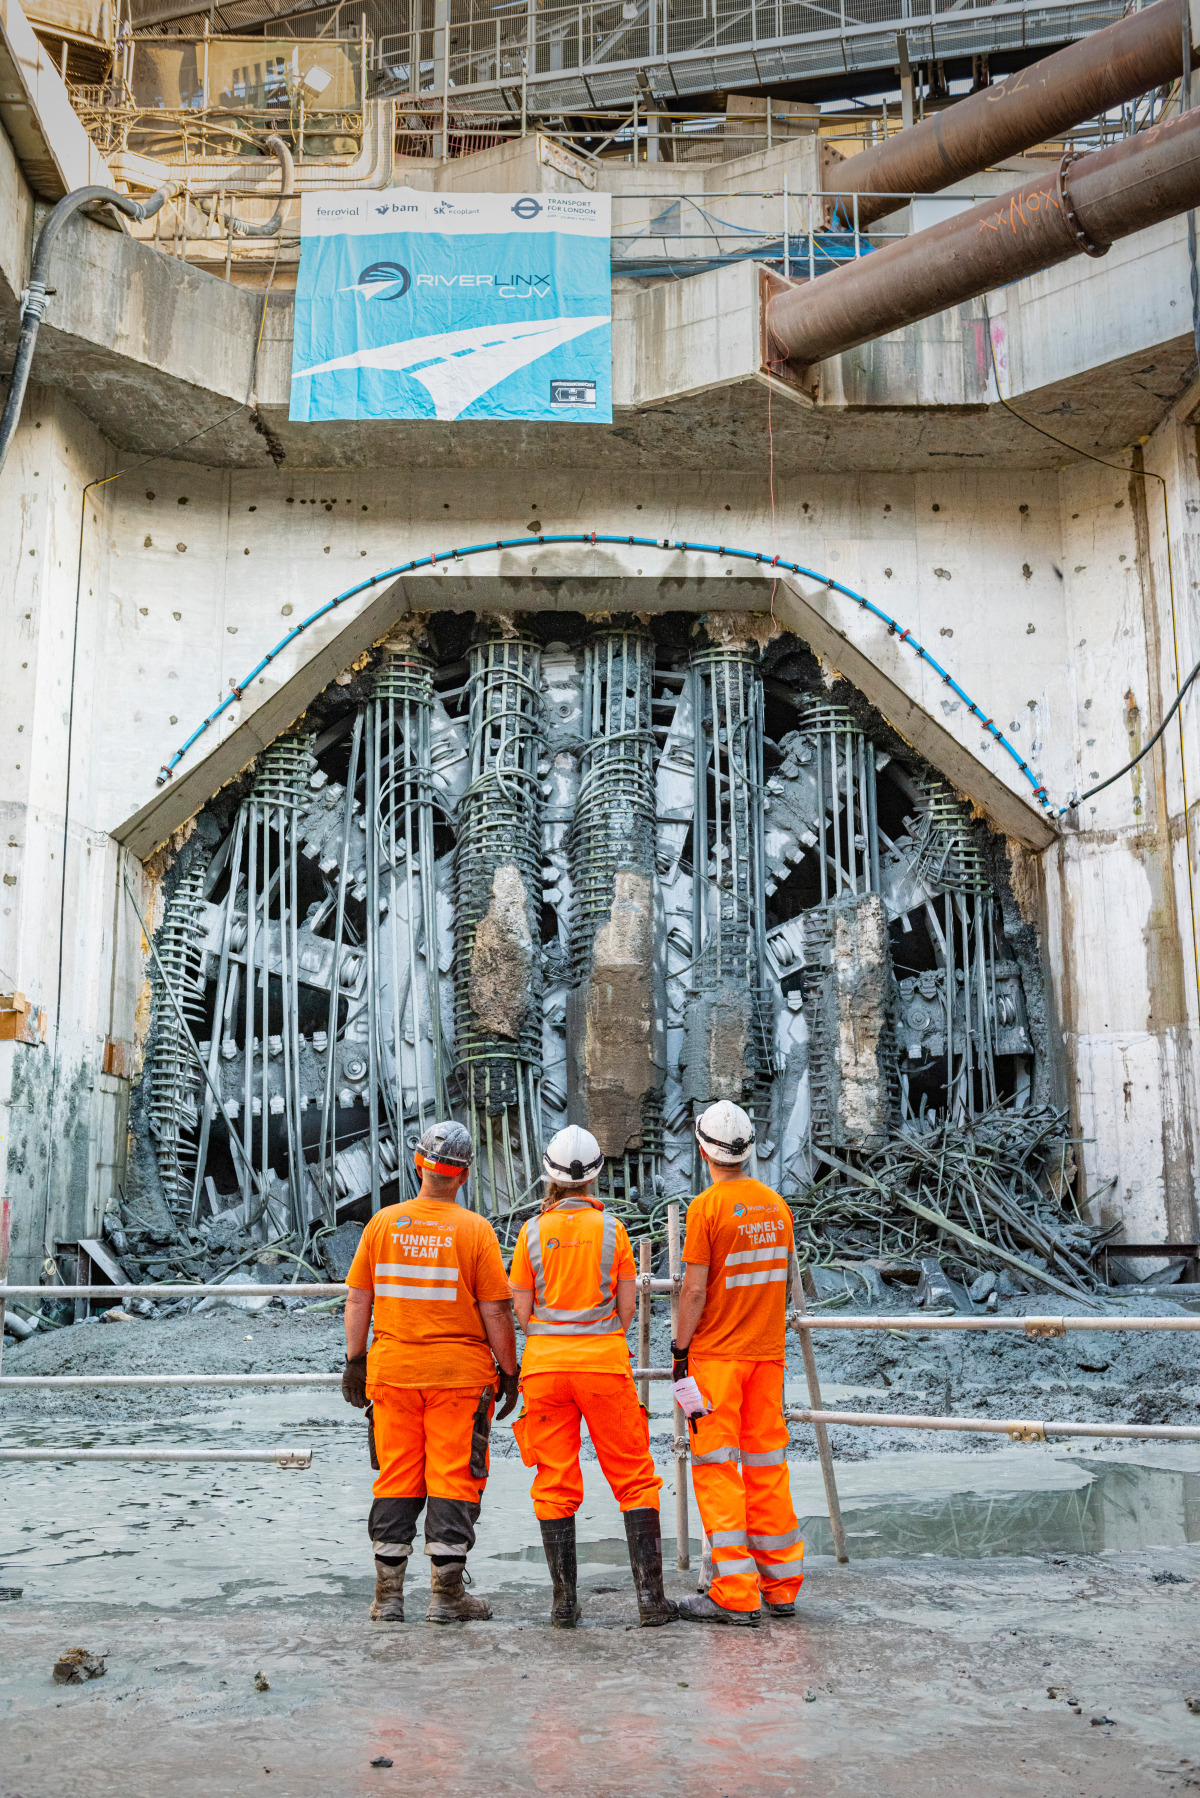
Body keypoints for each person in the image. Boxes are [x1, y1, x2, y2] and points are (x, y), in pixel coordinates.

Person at [341, 1120, 520, 1625]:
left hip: (393, 1374)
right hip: (459, 1380)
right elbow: (496, 1312)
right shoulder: (475, 1231)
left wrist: (356, 1361)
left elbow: (358, 1298)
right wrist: (509, 1371)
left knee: (397, 1477)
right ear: (463, 1175)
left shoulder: (383, 1224)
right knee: (453, 1479)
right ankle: (445, 1598)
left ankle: (388, 1597)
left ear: (419, 1164)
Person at [508, 1124, 677, 1630]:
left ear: (550, 1176)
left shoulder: (531, 1232)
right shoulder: (614, 1231)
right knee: (634, 1478)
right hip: (603, 1363)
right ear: (595, 1177)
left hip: (544, 1370)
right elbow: (628, 1308)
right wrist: (600, 1335)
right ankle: (650, 1601)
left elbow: (521, 1311)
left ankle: (564, 1603)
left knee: (554, 1481)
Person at [670, 1100, 804, 1628]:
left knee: (718, 1470)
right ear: (748, 1150)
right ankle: (781, 1584)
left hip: (718, 1360)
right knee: (768, 1468)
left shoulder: (706, 1208)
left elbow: (695, 1289)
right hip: (767, 1358)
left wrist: (681, 1350)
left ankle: (735, 1592)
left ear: (702, 1148)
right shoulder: (776, 1206)